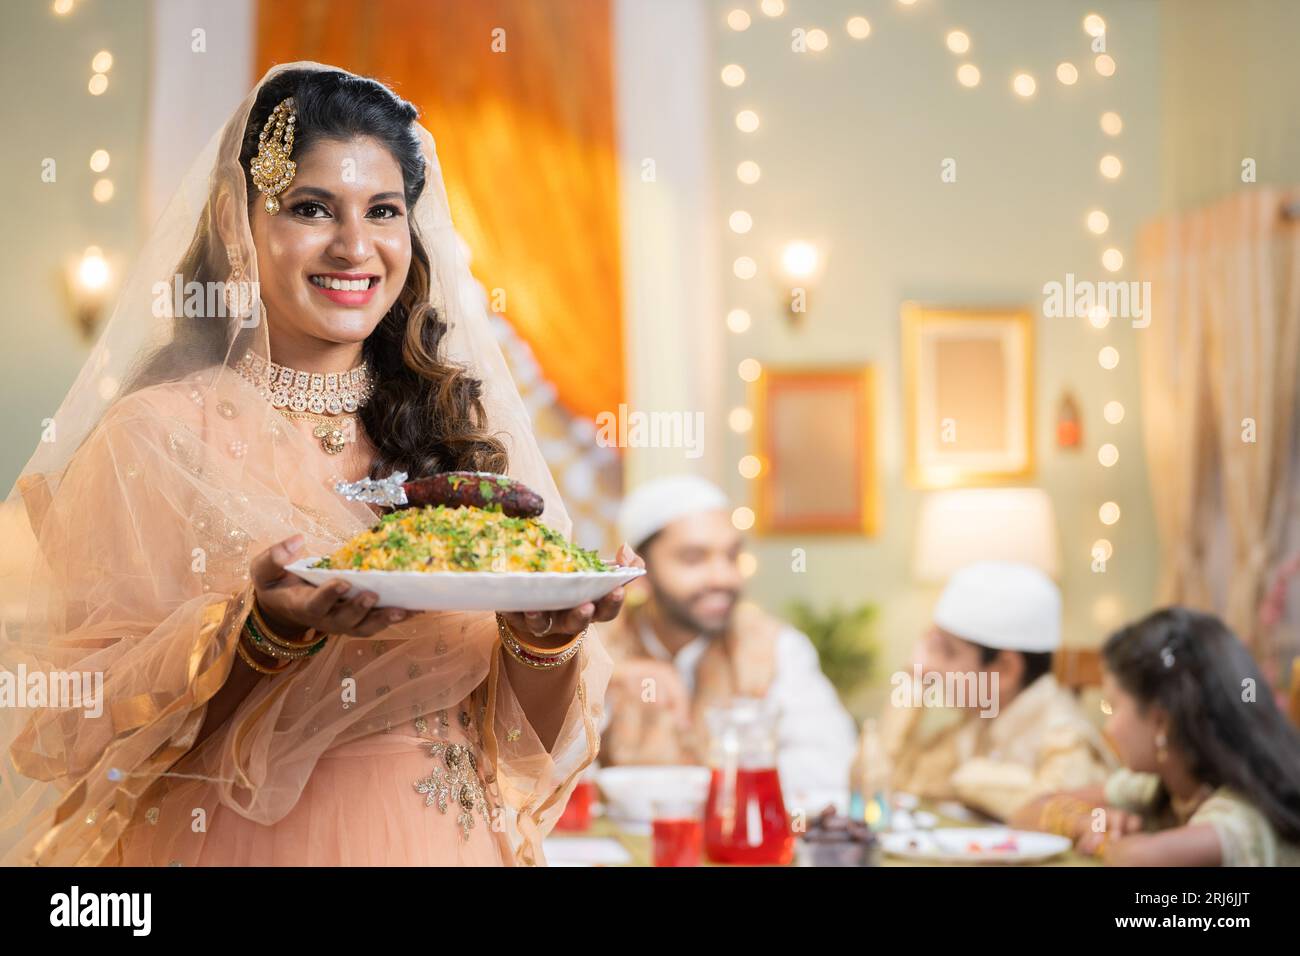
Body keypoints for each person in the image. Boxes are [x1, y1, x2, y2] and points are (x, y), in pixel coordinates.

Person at [0, 63, 635, 866]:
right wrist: (263, 632)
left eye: (382, 212)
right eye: (311, 209)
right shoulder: (154, 440)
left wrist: (545, 638)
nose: (354, 246)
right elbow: (81, 730)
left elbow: (518, 744)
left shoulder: (454, 438)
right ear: (240, 224)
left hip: (445, 842)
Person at [598, 475, 857, 798]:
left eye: (732, 556)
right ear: (638, 572)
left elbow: (831, 766)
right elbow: (546, 774)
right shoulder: (596, 648)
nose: (723, 577)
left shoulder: (776, 647)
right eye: (693, 558)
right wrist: (604, 680)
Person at [1012, 608, 1300, 865]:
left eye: (1112, 708)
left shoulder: (1243, 814)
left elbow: (1137, 858)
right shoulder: (1155, 783)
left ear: (1161, 721)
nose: (1108, 729)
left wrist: (1106, 839)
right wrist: (1081, 821)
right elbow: (1027, 812)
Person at [880, 561, 1111, 821]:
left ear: (1004, 669)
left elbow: (1059, 809)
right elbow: (893, 779)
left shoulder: (1066, 737)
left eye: (948, 652)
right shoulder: (979, 723)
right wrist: (914, 677)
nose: (933, 666)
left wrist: (967, 780)